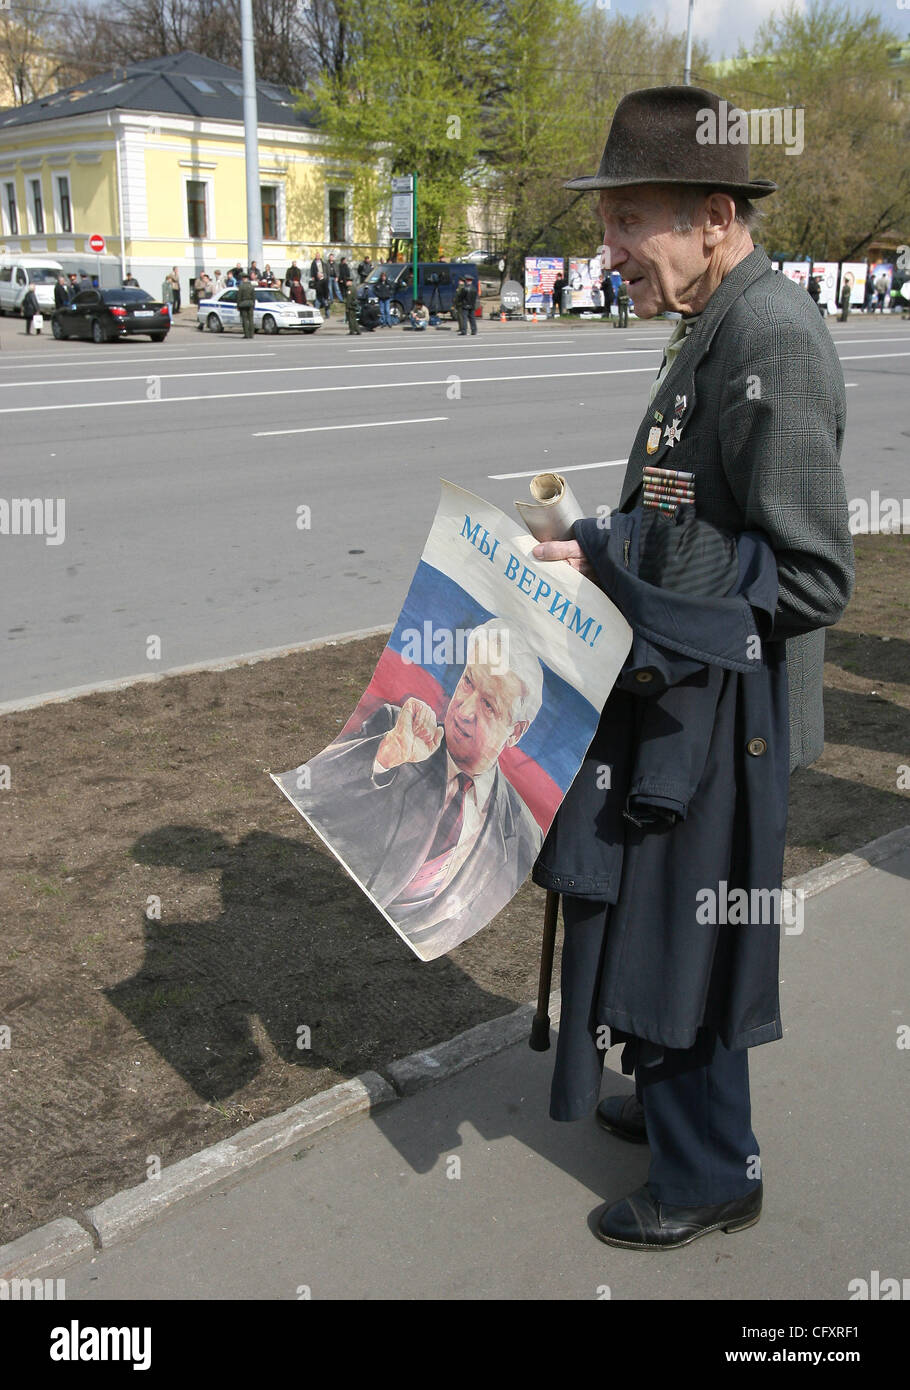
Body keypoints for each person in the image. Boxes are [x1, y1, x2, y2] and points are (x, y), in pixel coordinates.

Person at [531, 84, 853, 1251]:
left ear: (713, 215)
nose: (605, 247)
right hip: (688, 699)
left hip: (730, 713)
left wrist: (620, 554)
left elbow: (812, 574)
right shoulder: (716, 317)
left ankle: (711, 1170)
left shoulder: (768, 336)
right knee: (676, 925)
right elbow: (697, 510)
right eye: (606, 222)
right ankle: (684, 1114)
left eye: (629, 221)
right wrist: (597, 546)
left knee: (693, 935)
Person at [292, 620, 544, 960]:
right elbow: (310, 793)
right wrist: (383, 757)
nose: (465, 710)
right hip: (344, 937)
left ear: (516, 732)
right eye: (467, 682)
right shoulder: (395, 730)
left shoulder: (524, 834)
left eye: (488, 706)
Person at [237, 273, 256, 339]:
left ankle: (246, 334)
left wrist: (238, 305)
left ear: (243, 279)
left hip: (243, 304)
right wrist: (254, 305)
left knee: (245, 319)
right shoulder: (251, 286)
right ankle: (251, 334)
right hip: (250, 303)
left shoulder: (241, 286)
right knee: (251, 319)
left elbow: (239, 297)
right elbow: (253, 297)